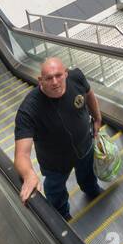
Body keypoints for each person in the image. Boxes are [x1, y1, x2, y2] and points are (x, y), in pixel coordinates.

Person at [13, 58, 103, 220]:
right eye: (48, 78)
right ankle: (62, 214)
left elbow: (89, 94)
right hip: (55, 163)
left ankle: (91, 189)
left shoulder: (76, 77)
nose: (55, 82)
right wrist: (28, 174)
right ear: (40, 80)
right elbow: (22, 154)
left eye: (58, 75)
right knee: (55, 190)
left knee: (88, 173)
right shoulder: (29, 109)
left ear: (66, 74)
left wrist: (97, 118)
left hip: (85, 147)